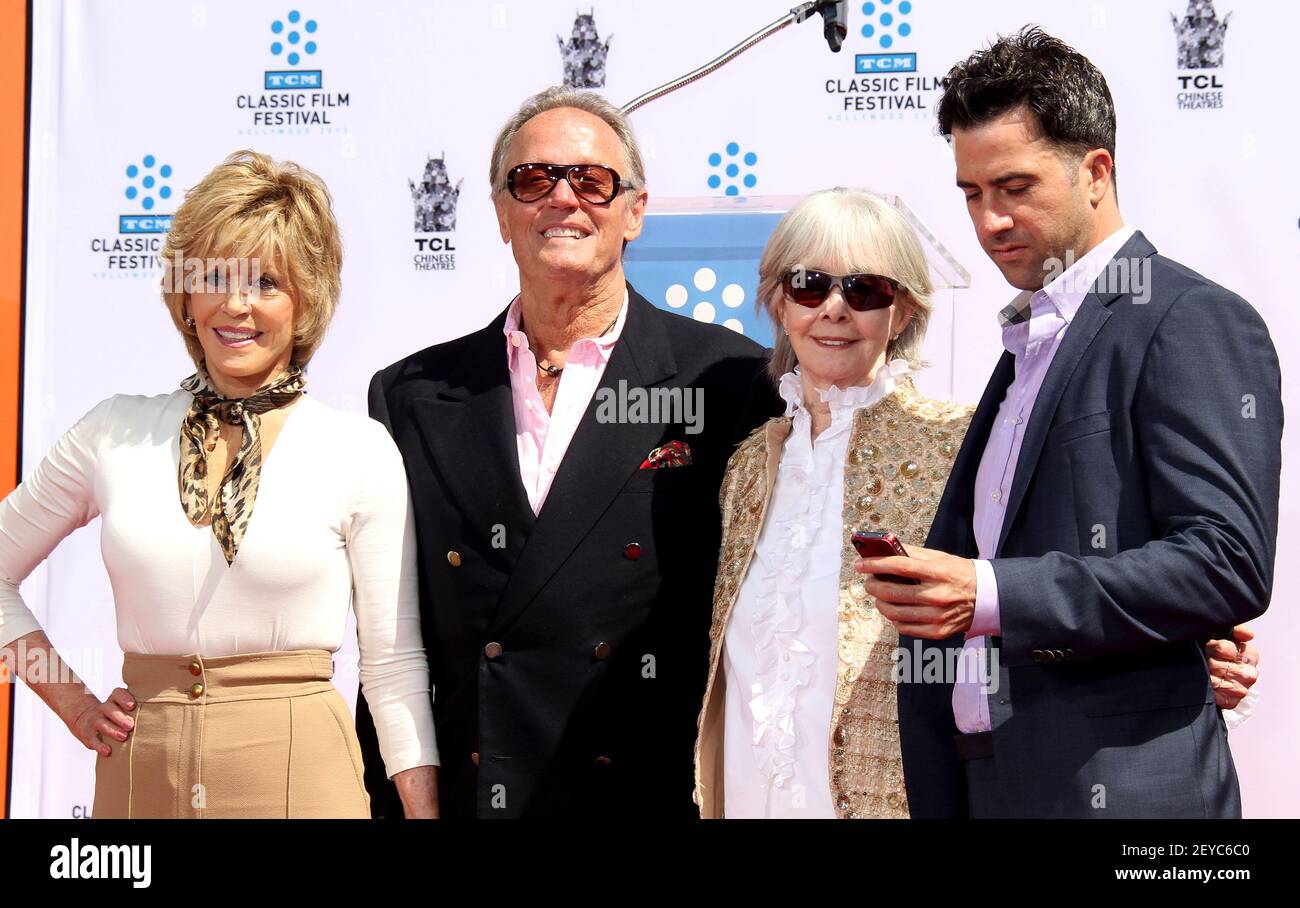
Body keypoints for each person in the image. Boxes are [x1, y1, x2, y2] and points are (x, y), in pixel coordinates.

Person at [693, 187, 1259, 819]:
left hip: (912, 792)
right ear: (775, 300)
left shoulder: (966, 444)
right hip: (748, 785)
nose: (834, 310)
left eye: (866, 290)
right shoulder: (746, 467)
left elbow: (1059, 587)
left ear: (902, 313)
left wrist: (1196, 652)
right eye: (808, 285)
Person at [857, 28, 1279, 818]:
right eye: (972, 194)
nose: (990, 221)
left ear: (1096, 171)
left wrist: (989, 593)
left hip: (1122, 792)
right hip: (985, 779)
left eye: (1015, 186)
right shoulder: (1025, 344)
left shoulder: (1187, 319)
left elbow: (1226, 561)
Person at [354, 87, 781, 818]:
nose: (562, 198)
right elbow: (393, 641)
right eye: (532, 180)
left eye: (590, 180)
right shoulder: (413, 393)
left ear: (634, 212)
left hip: (647, 792)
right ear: (499, 213)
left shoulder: (732, 381)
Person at [0, 150, 439, 818]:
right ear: (185, 294)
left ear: (306, 301)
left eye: (266, 281)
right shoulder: (112, 432)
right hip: (139, 777)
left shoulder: (357, 449)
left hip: (302, 778)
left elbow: (392, 662)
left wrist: (423, 810)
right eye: (213, 275)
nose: (236, 304)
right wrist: (74, 704)